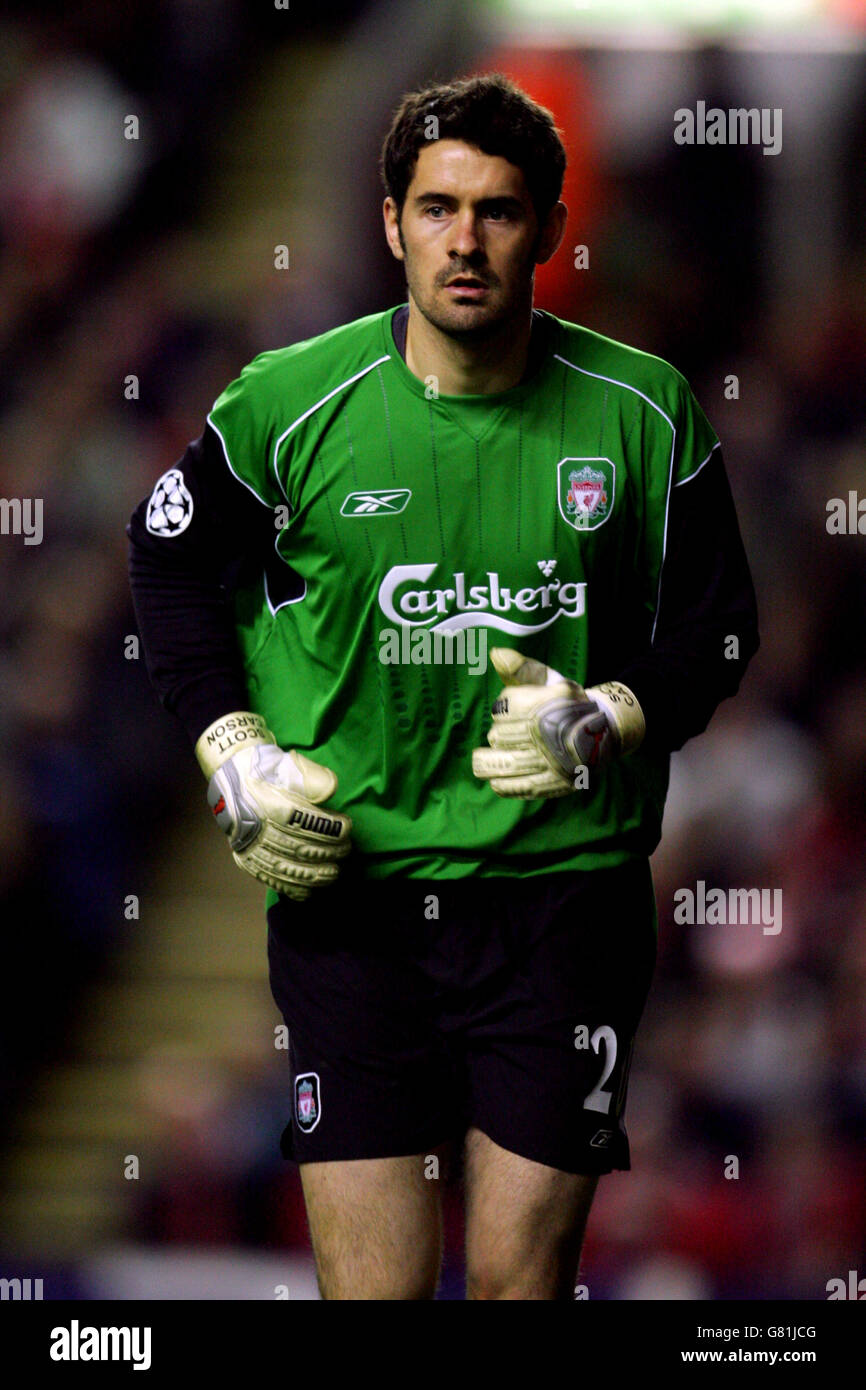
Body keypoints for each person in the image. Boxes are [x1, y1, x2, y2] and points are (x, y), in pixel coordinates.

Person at [127, 72, 759, 1300]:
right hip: (351, 897)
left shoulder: (643, 410)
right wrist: (228, 742)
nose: (463, 240)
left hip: (562, 901)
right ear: (389, 224)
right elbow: (167, 557)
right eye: (435, 207)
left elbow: (719, 630)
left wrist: (617, 711)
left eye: (499, 211)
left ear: (548, 230)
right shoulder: (285, 405)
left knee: (519, 1284)